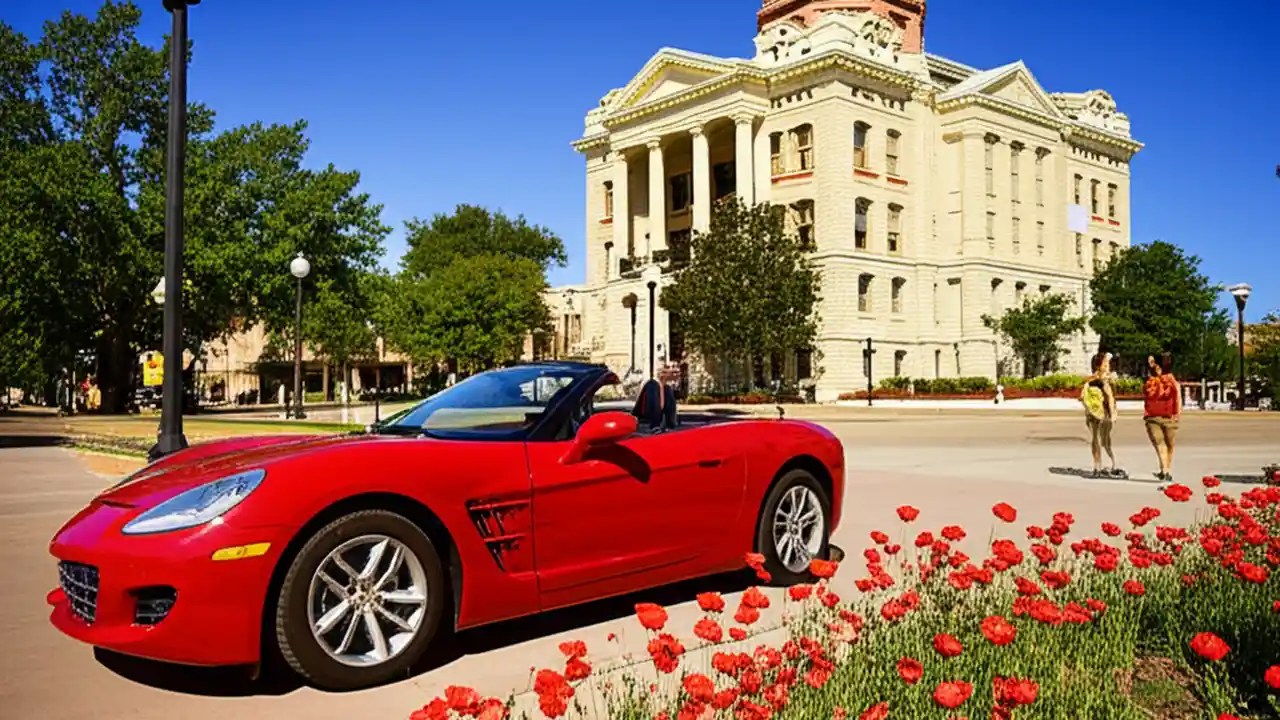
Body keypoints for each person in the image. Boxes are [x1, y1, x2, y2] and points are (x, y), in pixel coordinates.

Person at [1142, 352, 1181, 482]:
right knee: (1163, 444)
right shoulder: (1167, 380)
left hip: (1161, 416)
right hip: (1159, 416)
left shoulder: (1161, 380)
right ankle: (1165, 470)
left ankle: (1165, 470)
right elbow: (1178, 396)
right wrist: (1178, 413)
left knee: (1166, 445)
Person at [1080, 352, 1119, 477]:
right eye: (1105, 364)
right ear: (1099, 365)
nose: (1108, 366)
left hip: (1096, 413)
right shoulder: (1100, 380)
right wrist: (1113, 413)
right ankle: (1107, 465)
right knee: (1102, 440)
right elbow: (1109, 397)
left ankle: (1099, 466)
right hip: (1101, 413)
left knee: (1097, 439)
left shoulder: (1094, 380)